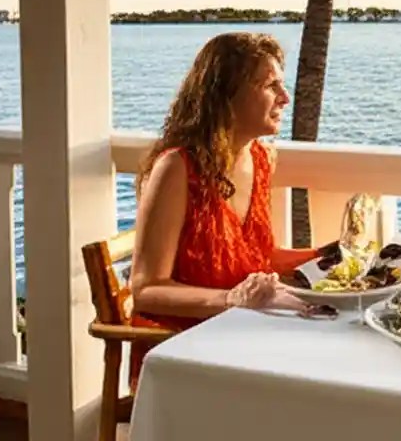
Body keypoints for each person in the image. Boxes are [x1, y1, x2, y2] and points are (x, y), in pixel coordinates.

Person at [126, 32, 333, 385]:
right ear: (226, 94)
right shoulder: (177, 169)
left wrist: (328, 256)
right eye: (270, 85)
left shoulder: (260, 158)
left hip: (244, 334)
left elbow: (253, 255)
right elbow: (146, 290)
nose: (285, 97)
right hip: (185, 349)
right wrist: (232, 299)